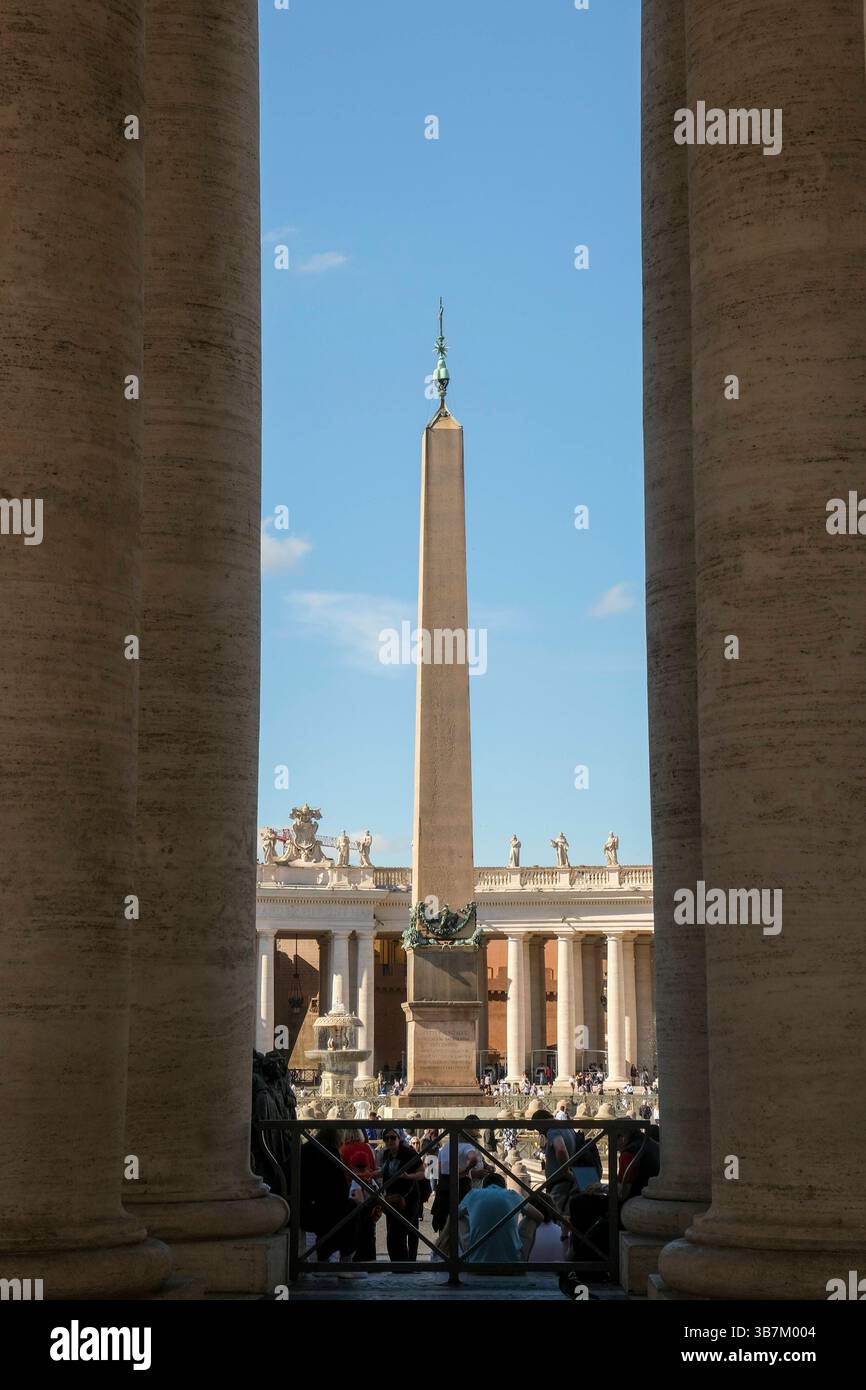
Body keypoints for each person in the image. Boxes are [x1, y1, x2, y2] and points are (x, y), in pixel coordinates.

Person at [299, 1126, 363, 1278]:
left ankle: (323, 1262)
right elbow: (339, 1192)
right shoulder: (329, 1153)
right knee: (350, 1209)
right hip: (314, 1211)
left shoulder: (306, 1149)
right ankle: (346, 1262)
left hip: (300, 1206)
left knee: (331, 1211)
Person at [458, 1172, 542, 1265]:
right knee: (531, 1219)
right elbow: (539, 1216)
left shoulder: (473, 1194)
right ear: (504, 1187)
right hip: (513, 1263)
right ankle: (523, 1260)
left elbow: (454, 1215)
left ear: (483, 1187)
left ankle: (468, 1255)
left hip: (477, 1262)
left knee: (460, 1219)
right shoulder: (512, 1195)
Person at [375, 1127, 426, 1263]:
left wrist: (408, 1176)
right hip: (391, 1197)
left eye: (393, 1137)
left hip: (409, 1196)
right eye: (387, 1138)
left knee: (407, 1230)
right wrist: (371, 1174)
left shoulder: (409, 1153)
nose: (390, 1141)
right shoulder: (386, 1154)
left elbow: (422, 1173)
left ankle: (409, 1262)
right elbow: (385, 1171)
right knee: (393, 1230)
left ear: (399, 1138)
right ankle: (397, 1262)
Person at [340, 1128, 379, 1263]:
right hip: (368, 1186)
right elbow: (373, 1167)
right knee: (369, 1228)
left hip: (349, 1187)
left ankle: (353, 1258)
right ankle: (370, 1259)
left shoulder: (343, 1149)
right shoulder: (367, 1147)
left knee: (352, 1227)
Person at [618, 1126, 660, 1201]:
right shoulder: (651, 1144)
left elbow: (623, 1192)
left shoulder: (629, 1153)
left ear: (622, 1138)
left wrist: (601, 1188)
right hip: (654, 1194)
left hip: (639, 1198)